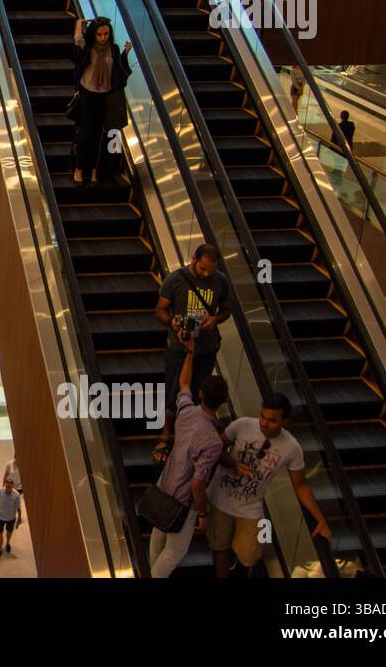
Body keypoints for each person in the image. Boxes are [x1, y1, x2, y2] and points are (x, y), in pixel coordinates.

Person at [207, 393, 332, 577]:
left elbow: (300, 484)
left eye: (272, 420)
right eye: (262, 416)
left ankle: (239, 568)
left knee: (251, 554)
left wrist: (320, 518)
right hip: (220, 498)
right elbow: (214, 448)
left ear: (285, 422)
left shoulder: (292, 447)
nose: (264, 423)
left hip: (251, 507)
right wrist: (233, 465)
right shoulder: (243, 425)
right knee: (219, 546)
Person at [149, 329, 232, 578]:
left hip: (164, 486)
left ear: (201, 394)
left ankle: (150, 572)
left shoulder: (185, 411)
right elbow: (198, 483)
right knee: (174, 552)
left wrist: (190, 351)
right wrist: (203, 513)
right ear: (224, 401)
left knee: (158, 534)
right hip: (183, 502)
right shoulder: (214, 441)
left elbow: (183, 383)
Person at [153, 243, 233, 463]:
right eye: (203, 269)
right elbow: (159, 310)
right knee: (173, 391)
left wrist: (214, 319)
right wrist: (172, 321)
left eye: (211, 270)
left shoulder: (220, 281)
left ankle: (190, 436)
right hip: (179, 347)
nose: (206, 274)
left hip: (206, 348)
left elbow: (227, 309)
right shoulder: (175, 279)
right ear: (194, 259)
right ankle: (165, 435)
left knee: (199, 393)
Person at [69, 17, 132, 184]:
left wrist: (125, 54)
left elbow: (119, 69)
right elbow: (77, 47)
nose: (103, 38)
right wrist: (78, 25)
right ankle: (79, 168)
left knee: (100, 135)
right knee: (86, 133)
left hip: (106, 95)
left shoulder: (113, 49)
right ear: (93, 34)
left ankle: (95, 170)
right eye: (99, 34)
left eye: (106, 34)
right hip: (88, 94)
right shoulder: (88, 47)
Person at [0, 478, 22, 556]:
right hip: (0, 517)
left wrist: (19, 518)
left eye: (10, 486)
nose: (8, 488)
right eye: (7, 486)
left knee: (9, 531)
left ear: (12, 486)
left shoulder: (16, 495)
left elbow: (18, 508)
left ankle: (8, 543)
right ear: (5, 485)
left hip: (11, 518)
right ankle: (0, 548)